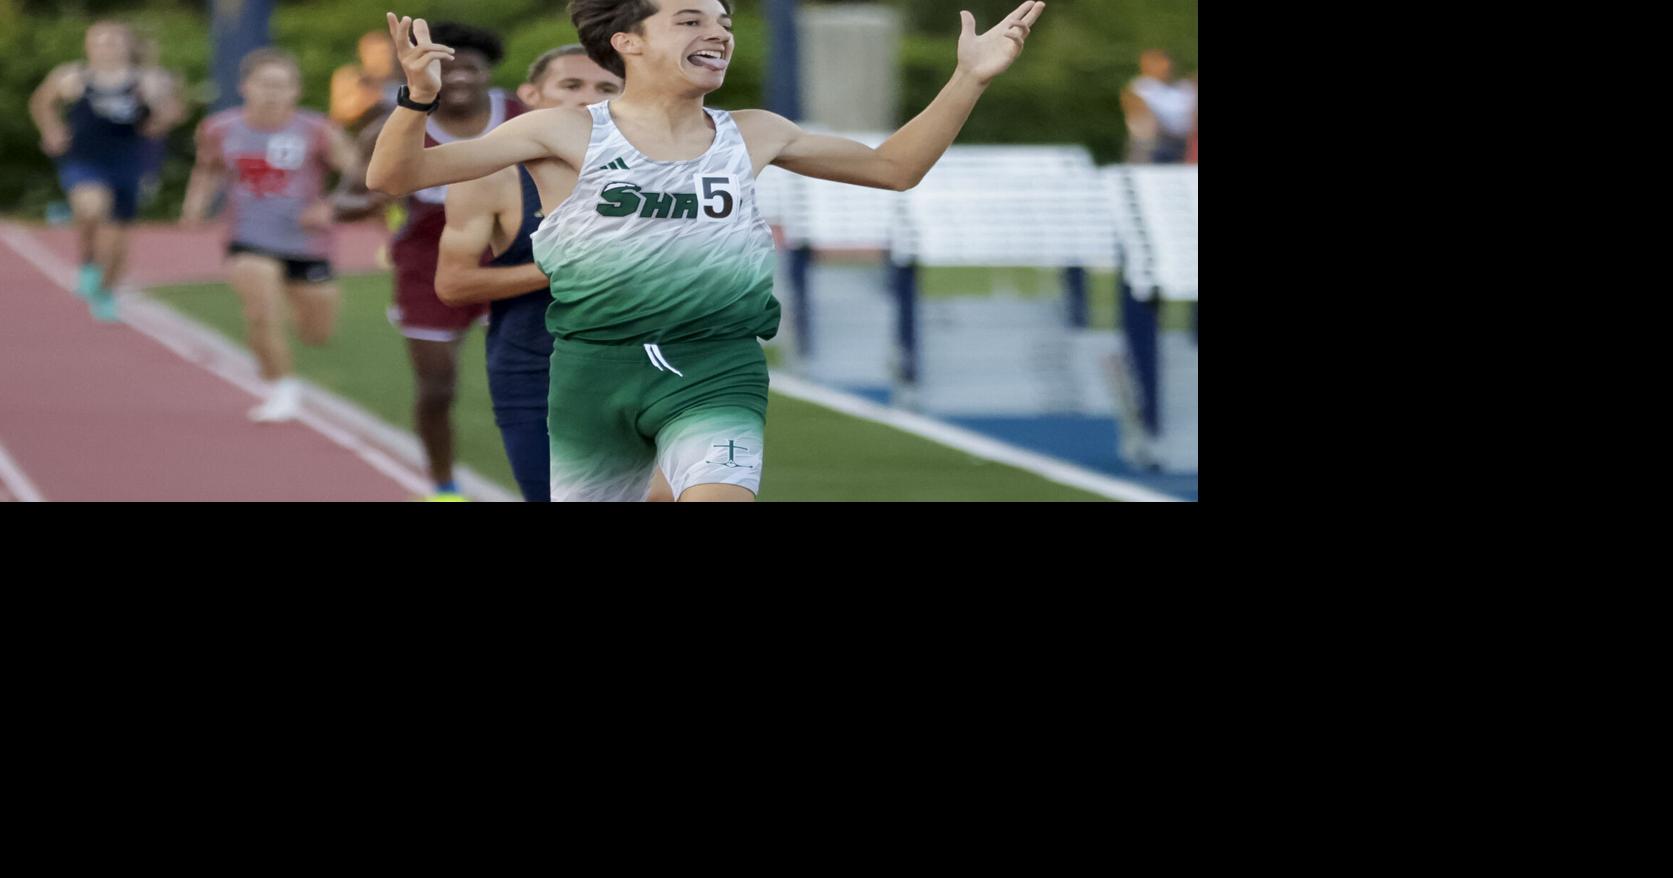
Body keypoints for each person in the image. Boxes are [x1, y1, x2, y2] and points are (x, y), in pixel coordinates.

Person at [368, 0, 1046, 502]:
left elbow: (894, 168)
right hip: (590, 372)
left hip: (714, 365)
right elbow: (395, 178)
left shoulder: (755, 133)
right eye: (690, 19)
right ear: (627, 41)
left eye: (721, 20)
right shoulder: (561, 132)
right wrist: (416, 100)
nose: (717, 31)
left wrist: (970, 78)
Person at [434, 45, 676, 502]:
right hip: (537, 376)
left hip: (646, 369)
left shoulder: (662, 176)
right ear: (531, 95)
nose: (586, 99)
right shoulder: (492, 176)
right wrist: (561, 269)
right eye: (570, 86)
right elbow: (453, 284)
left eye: (606, 88)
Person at [338, 21, 525, 502]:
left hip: (508, 261)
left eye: (473, 69)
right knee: (438, 388)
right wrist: (380, 196)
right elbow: (348, 198)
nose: (460, 78)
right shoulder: (397, 123)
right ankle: (443, 488)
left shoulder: (522, 115)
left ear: (490, 73)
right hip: (428, 267)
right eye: (449, 67)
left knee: (535, 382)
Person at [181, 49, 361, 423]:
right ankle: (283, 388)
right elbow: (208, 169)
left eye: (281, 85)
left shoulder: (317, 129)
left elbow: (358, 175)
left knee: (316, 332)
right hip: (248, 235)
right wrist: (195, 204)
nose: (271, 93)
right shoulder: (220, 128)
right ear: (245, 86)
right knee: (261, 310)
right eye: (264, 84)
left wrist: (331, 206)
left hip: (306, 241)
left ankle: (280, 337)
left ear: (295, 91)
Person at [28, 20, 184, 321]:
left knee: (118, 236)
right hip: (85, 159)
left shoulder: (147, 80)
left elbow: (168, 118)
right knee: (91, 208)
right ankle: (88, 261)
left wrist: (160, 107)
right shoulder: (72, 76)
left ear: (127, 46)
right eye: (98, 42)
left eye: (112, 41)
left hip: (128, 162)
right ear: (88, 46)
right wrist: (52, 130)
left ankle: (107, 290)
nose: (105, 48)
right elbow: (41, 102)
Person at [1121, 49, 1194, 164]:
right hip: (1151, 146)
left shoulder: (1183, 87)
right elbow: (1143, 116)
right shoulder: (1140, 88)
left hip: (1182, 144)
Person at [330, 30, 402, 132]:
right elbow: (338, 116)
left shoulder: (404, 79)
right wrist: (368, 98)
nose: (386, 58)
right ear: (363, 54)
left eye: (389, 52)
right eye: (379, 53)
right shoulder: (351, 78)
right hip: (366, 136)